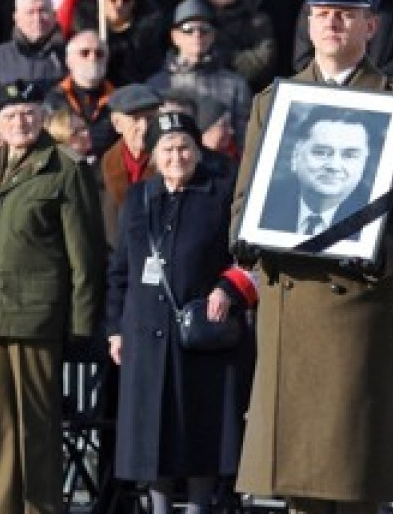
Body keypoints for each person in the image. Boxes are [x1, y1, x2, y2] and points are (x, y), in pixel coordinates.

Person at [230, 0, 393, 513]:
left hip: (358, 310)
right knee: (298, 484)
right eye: (322, 12)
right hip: (289, 304)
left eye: (346, 14)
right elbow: (245, 198)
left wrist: (376, 257)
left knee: (351, 482)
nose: (332, 24)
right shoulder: (273, 103)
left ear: (371, 26)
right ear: (307, 22)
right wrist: (247, 238)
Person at [0, 80, 106, 514]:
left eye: (28, 113)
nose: (21, 122)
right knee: (1, 422)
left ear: (43, 117)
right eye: (10, 116)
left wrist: (81, 323)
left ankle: (40, 506)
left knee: (36, 424)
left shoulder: (64, 168)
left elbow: (85, 254)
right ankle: (1, 504)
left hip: (37, 315)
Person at [106, 111, 256, 514]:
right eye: (168, 149)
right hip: (146, 333)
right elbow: (121, 269)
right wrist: (115, 329)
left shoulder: (221, 195)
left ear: (198, 150)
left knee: (201, 426)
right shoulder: (138, 198)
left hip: (203, 335)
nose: (177, 156)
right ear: (154, 155)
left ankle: (200, 506)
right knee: (152, 431)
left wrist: (228, 287)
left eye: (185, 147)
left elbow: (248, 258)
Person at [258, 105, 379, 237]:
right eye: (321, 152)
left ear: (364, 162)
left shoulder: (378, 216)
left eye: (349, 155)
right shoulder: (264, 201)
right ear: (296, 154)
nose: (334, 166)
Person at [148, 0, 253, 147]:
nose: (197, 35)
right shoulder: (157, 84)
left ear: (213, 35)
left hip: (221, 166)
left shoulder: (235, 84)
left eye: (204, 30)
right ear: (175, 36)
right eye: (188, 29)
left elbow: (245, 140)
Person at [101, 84, 164, 244]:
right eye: (135, 119)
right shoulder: (102, 168)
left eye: (150, 118)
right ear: (117, 123)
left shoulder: (172, 164)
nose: (143, 127)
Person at [44, 30, 119, 158]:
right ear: (69, 60)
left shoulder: (119, 99)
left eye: (99, 53)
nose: (92, 58)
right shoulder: (53, 100)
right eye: (84, 53)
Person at [0, 0, 64, 89]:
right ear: (16, 18)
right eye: (30, 12)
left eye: (43, 11)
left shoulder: (74, 54)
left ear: (54, 15)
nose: (37, 19)